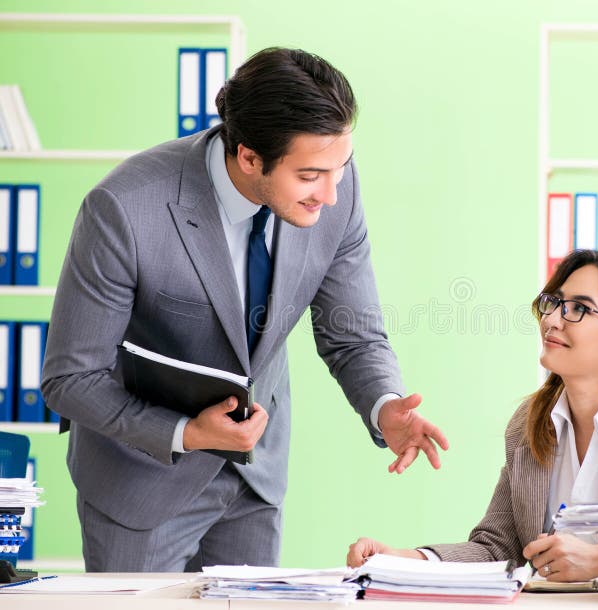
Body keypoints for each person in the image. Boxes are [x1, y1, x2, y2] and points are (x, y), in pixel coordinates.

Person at [41, 47, 448, 572]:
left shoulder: (334, 190)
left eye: (340, 168)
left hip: (256, 481)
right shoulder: (125, 208)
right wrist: (187, 433)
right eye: (310, 176)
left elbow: (352, 334)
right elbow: (71, 378)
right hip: (141, 480)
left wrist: (384, 404)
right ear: (250, 157)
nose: (330, 194)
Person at [346, 249, 598, 582]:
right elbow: (497, 549)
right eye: (554, 303)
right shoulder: (529, 422)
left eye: (578, 309)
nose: (551, 320)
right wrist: (407, 560)